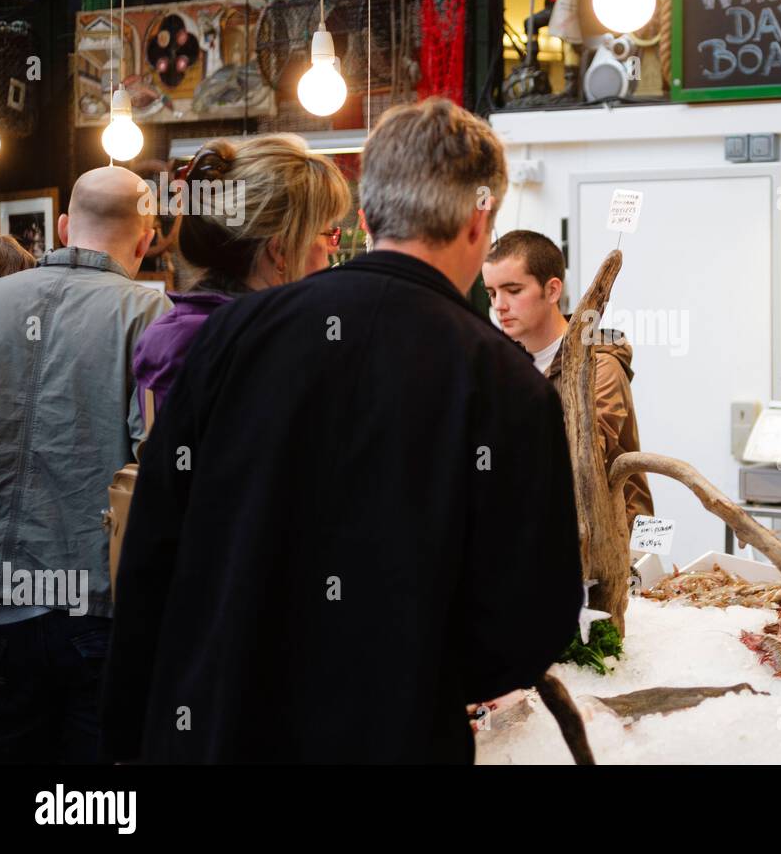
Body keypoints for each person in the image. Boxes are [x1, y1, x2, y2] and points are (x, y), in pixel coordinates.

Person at [101, 98, 583, 763]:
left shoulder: (235, 336)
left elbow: (154, 546)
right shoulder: (509, 386)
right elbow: (534, 617)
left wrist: (132, 728)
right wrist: (422, 680)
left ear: (365, 217)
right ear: (481, 221)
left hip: (218, 728)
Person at [0, 166, 170, 763]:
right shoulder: (148, 312)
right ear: (145, 241)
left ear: (63, 227)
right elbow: (160, 462)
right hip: (92, 605)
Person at [133, 135, 350, 413]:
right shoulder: (274, 352)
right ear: (281, 251)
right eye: (330, 234)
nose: (333, 249)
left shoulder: (170, 334)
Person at [483, 230, 654, 532]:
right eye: (492, 293)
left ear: (552, 290)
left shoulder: (599, 363)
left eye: (513, 290)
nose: (500, 305)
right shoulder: (503, 363)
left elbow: (582, 454)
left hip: (600, 542)